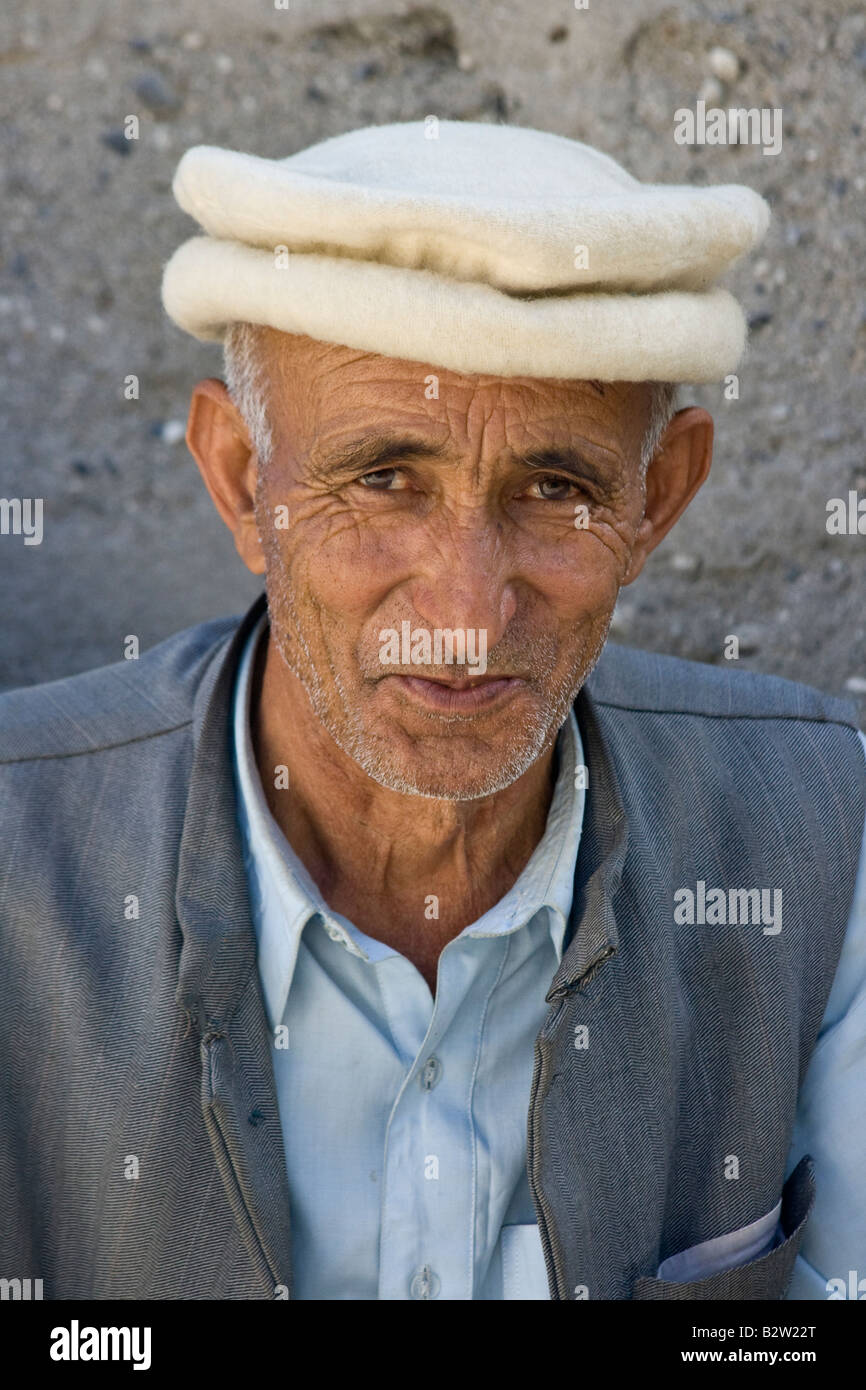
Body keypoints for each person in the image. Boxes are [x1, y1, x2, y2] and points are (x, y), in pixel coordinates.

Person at [1, 120, 863, 1301]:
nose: (465, 604)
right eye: (382, 479)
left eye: (553, 489)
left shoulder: (827, 837)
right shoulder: (17, 864)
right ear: (243, 480)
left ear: (655, 501)